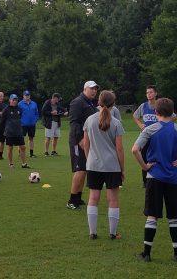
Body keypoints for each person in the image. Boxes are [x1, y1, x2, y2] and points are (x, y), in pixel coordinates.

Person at [133, 97, 177, 262]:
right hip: (173, 178)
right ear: (172, 112)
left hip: (154, 177)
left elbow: (135, 149)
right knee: (174, 217)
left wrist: (145, 167)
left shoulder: (150, 130)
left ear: (156, 112)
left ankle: (146, 254)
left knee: (152, 216)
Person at [81, 90, 125, 240]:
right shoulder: (116, 123)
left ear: (98, 102)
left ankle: (92, 233)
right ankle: (113, 233)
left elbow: (85, 144)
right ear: (113, 104)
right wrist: (122, 169)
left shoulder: (89, 120)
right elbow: (119, 148)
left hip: (93, 164)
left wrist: (89, 160)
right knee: (112, 199)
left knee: (93, 197)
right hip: (112, 166)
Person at [67, 81, 99, 210]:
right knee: (80, 169)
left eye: (96, 89)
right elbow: (74, 123)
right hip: (78, 141)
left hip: (88, 140)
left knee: (85, 169)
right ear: (85, 89)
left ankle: (78, 197)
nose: (94, 91)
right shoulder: (77, 102)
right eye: (92, 89)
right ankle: (72, 200)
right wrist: (80, 140)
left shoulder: (90, 103)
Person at [133, 85, 159, 187]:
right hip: (145, 137)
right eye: (147, 93)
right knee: (144, 158)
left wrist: (162, 126)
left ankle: (157, 178)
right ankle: (145, 181)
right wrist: (140, 125)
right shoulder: (143, 106)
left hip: (157, 137)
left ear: (156, 93)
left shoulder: (160, 104)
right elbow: (135, 116)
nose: (149, 94)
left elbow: (173, 117)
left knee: (156, 158)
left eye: (151, 92)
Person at [0, 94, 30, 168]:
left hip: (19, 131)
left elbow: (19, 118)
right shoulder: (6, 110)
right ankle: (11, 164)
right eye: (13, 100)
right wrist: (7, 128)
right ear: (10, 100)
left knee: (23, 147)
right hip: (10, 132)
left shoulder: (19, 109)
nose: (14, 101)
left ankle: (24, 164)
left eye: (16, 100)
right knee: (10, 148)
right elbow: (2, 121)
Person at [19, 90, 39, 158]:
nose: (27, 96)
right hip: (23, 125)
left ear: (29, 96)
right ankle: (20, 152)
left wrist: (35, 120)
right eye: (26, 95)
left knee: (31, 138)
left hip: (32, 124)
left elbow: (36, 113)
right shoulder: (20, 104)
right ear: (23, 96)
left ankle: (31, 153)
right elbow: (18, 115)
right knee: (21, 139)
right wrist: (20, 121)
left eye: (28, 95)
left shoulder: (34, 103)